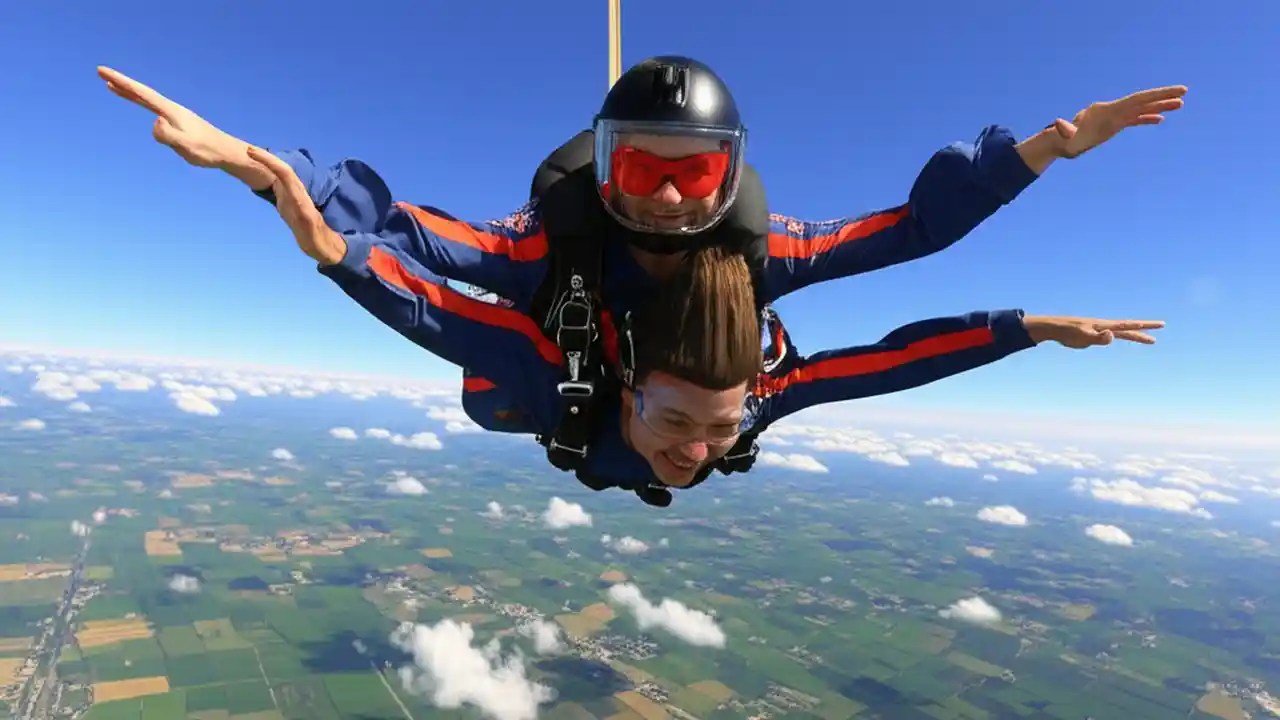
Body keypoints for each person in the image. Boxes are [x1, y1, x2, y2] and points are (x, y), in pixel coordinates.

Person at [96, 62, 1186, 483]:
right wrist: (264, 175)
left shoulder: (752, 363)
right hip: (550, 380)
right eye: (640, 172)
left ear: (729, 174)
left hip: (614, 374)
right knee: (512, 368)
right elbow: (422, 265)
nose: (667, 199)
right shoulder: (552, 289)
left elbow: (901, 288)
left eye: (694, 173)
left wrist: (1039, 165)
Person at [246, 142, 1164, 507]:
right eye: (682, 425)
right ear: (631, 390)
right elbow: (436, 297)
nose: (696, 451)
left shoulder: (760, 393)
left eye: (719, 428)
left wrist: (1024, 318)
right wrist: (303, 211)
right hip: (548, 389)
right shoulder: (553, 366)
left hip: (609, 399)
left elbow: (893, 357)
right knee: (494, 381)